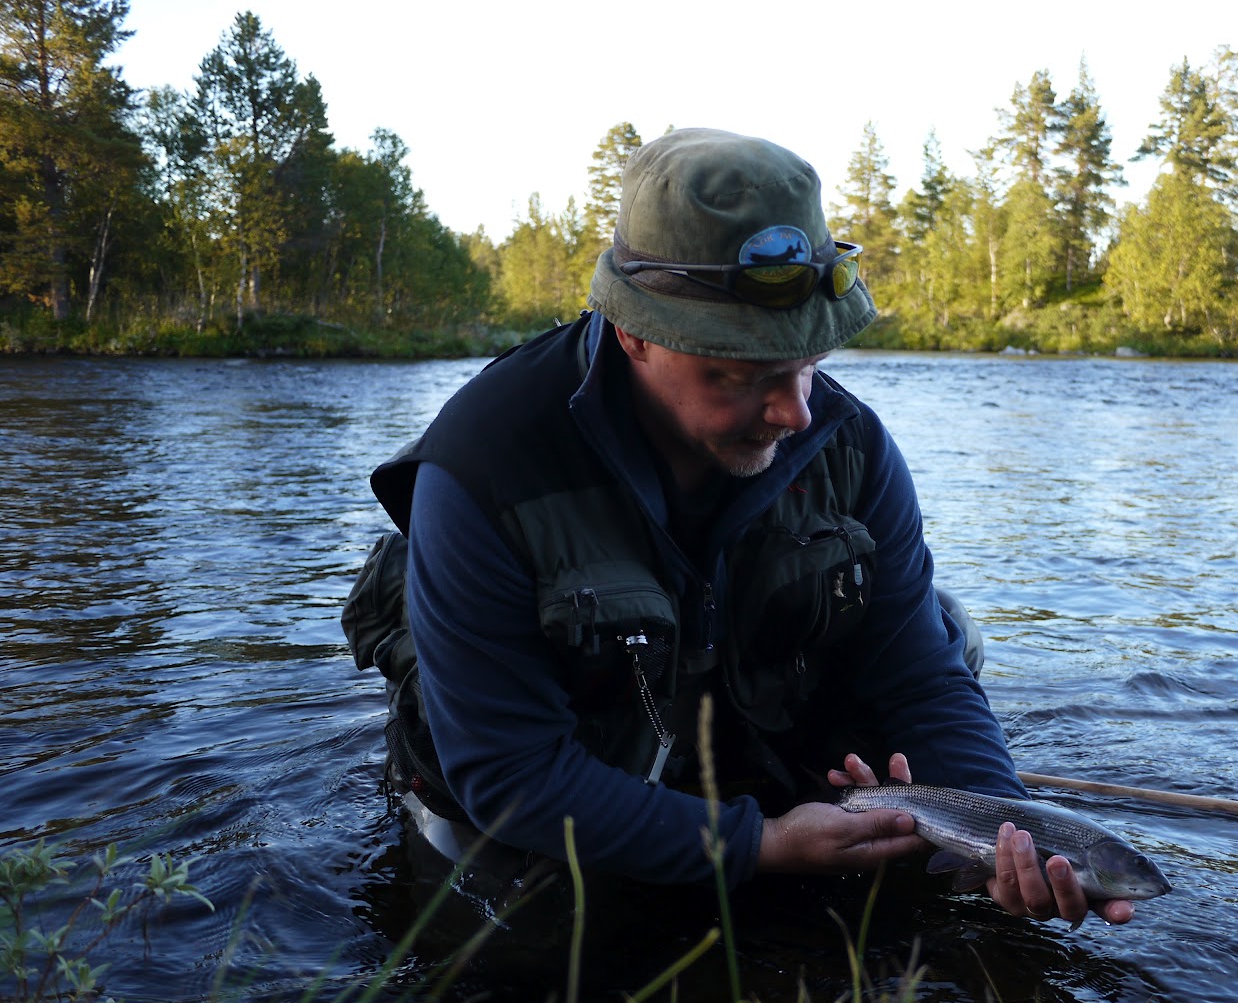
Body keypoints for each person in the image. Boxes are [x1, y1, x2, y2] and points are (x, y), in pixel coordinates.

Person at [350, 128, 1133, 928]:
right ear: (635, 336)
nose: (796, 412)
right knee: (534, 949)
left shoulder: (847, 443)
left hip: (730, 733)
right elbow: (512, 774)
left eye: (806, 364)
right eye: (740, 374)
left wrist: (1003, 831)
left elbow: (919, 676)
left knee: (946, 628)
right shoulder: (484, 467)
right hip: (542, 779)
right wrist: (758, 846)